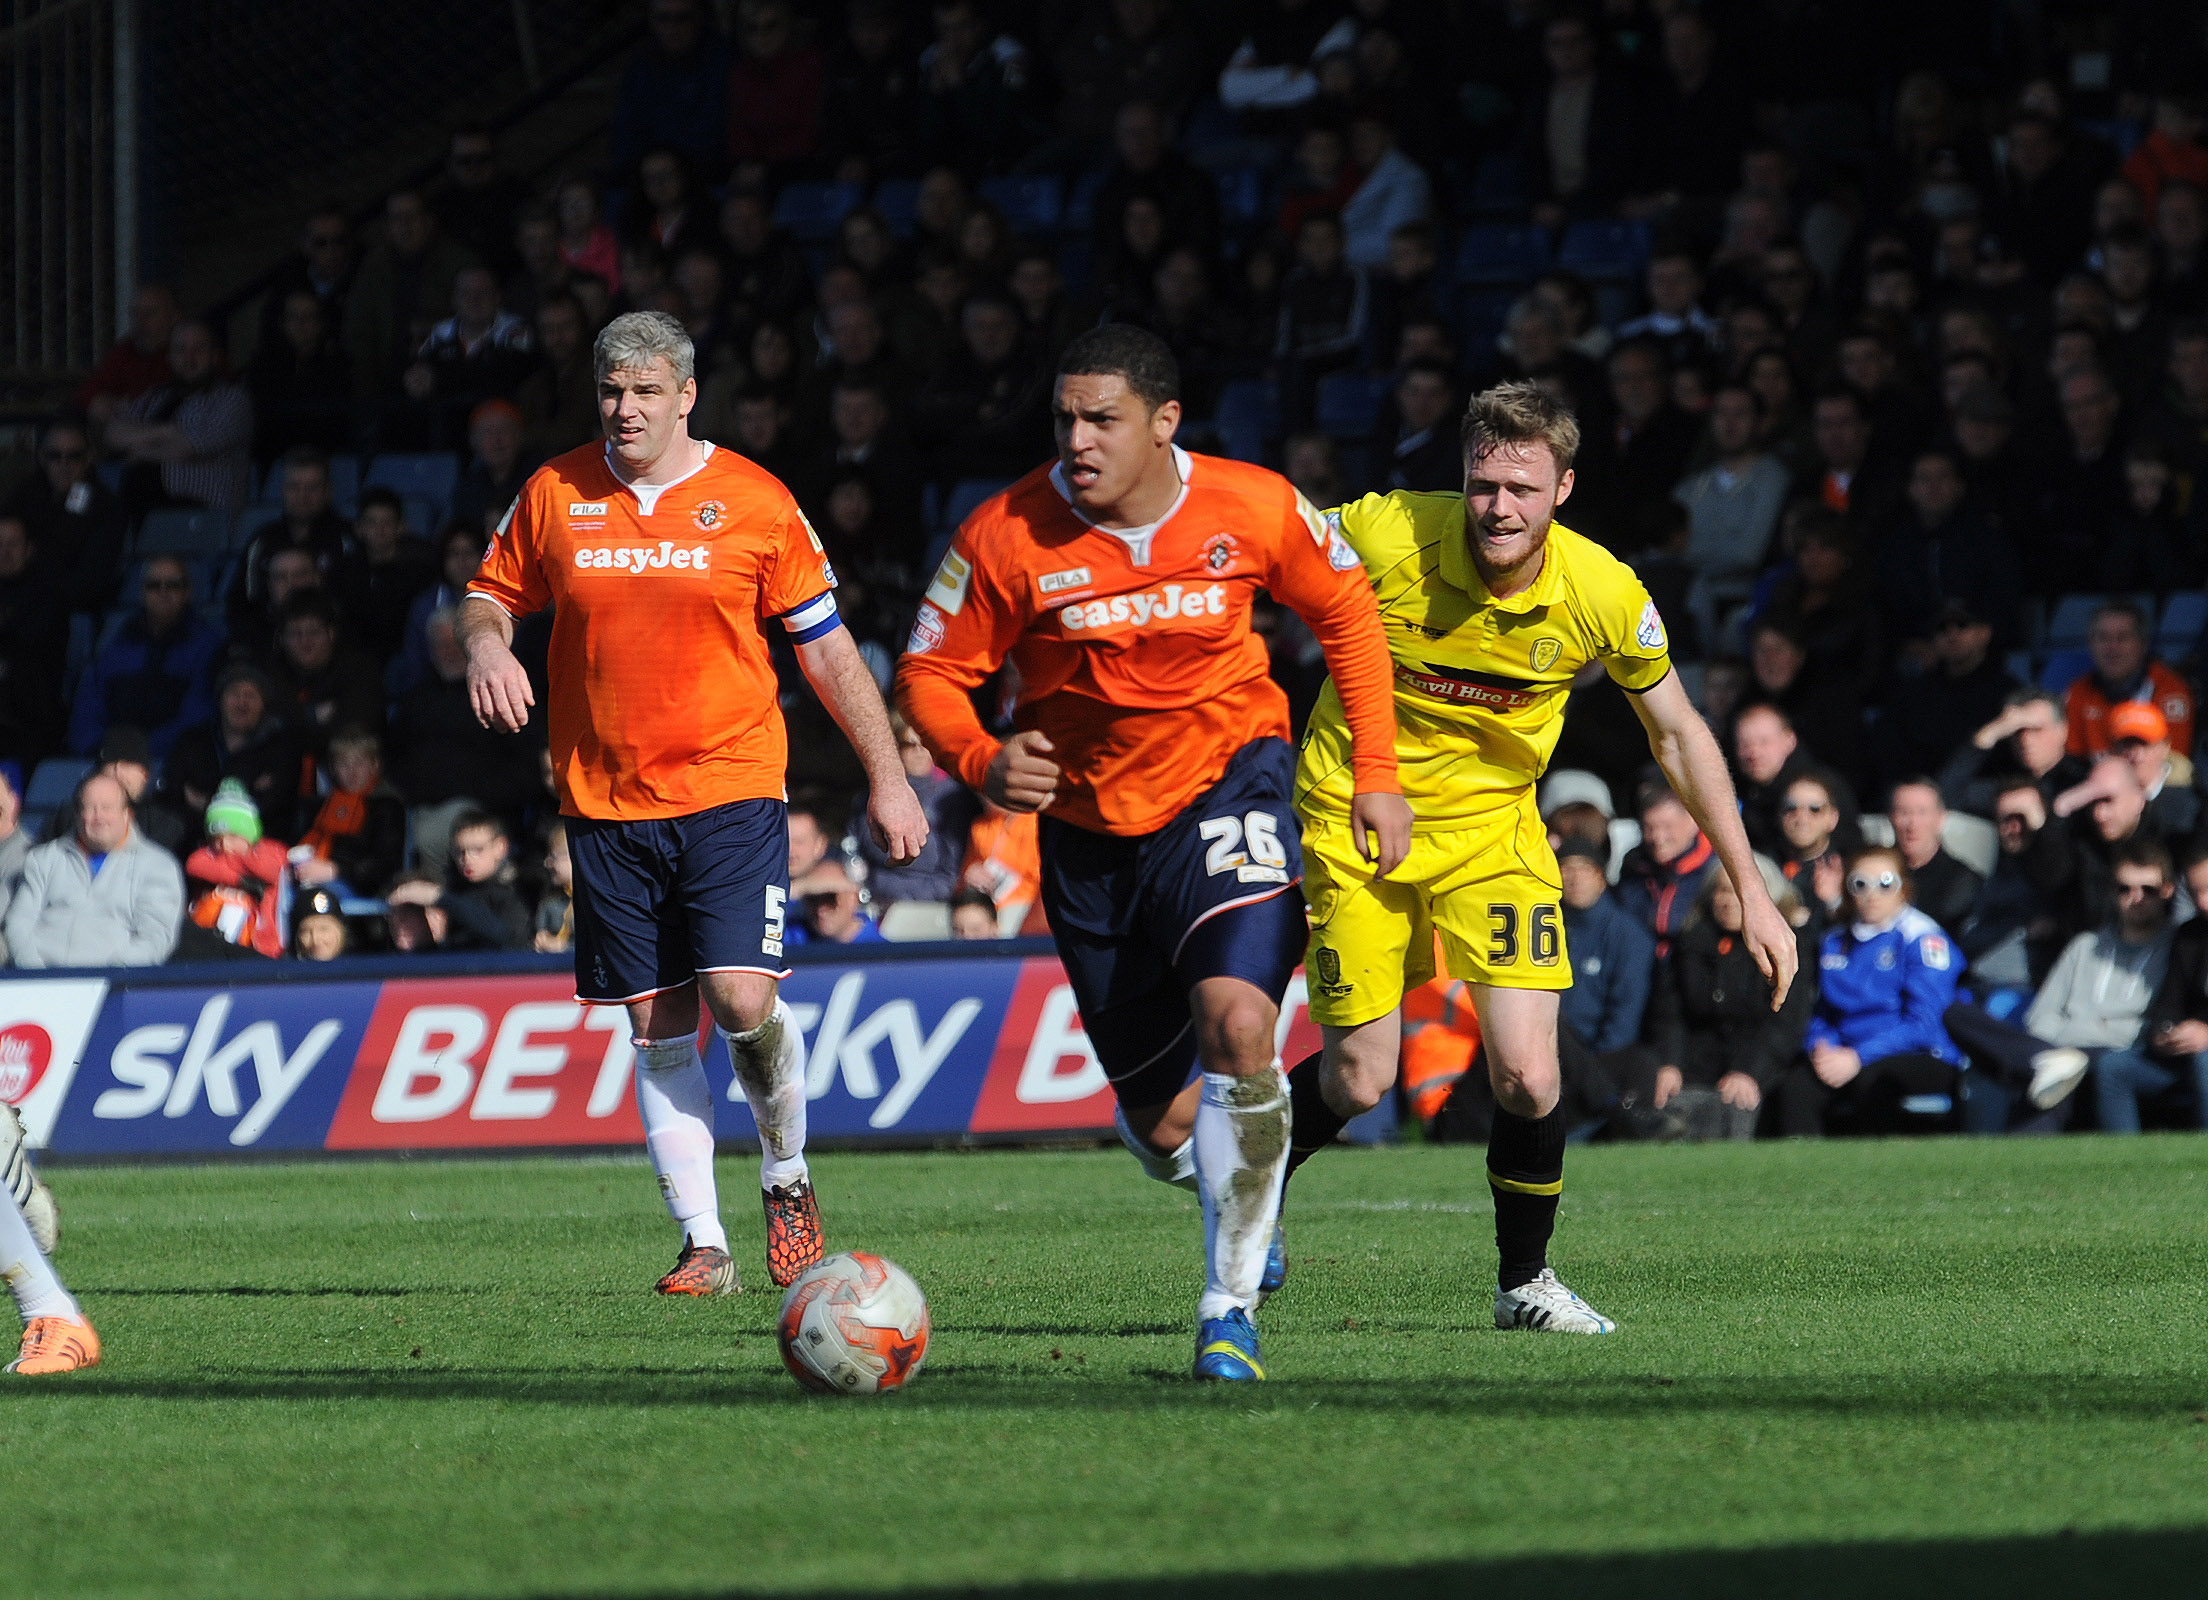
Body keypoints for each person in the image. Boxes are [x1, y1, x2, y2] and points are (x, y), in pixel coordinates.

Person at [895, 323, 1407, 1382]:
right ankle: (1241, 1198)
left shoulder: (1254, 503)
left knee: (1240, 1021)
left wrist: (1377, 774)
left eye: (1101, 419)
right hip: (1087, 836)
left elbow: (1349, 614)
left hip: (1232, 784)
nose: (1076, 440)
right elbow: (931, 672)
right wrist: (980, 759)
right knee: (1165, 1121)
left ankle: (1226, 1306)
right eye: (1063, 418)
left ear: (1165, 422)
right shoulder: (1004, 534)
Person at [1277, 382, 1796, 1338]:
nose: (1499, 508)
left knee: (1530, 1074)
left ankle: (1525, 1283)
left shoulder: (1603, 590)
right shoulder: (1386, 532)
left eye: (1521, 487)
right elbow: (1260, 546)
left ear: (1563, 486)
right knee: (1359, 1080)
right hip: (1358, 820)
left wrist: (1752, 891)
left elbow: (1678, 733)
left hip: (1497, 838)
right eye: (1482, 485)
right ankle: (1256, 1179)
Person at [463, 310, 926, 1299]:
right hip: (605, 802)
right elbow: (487, 592)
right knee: (657, 1026)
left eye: (643, 392)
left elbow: (829, 648)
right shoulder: (554, 492)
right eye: (609, 392)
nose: (624, 410)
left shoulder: (755, 502)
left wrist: (888, 775)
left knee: (740, 999)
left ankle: (787, 1173)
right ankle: (704, 1242)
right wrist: (486, 641)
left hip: (729, 787)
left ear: (686, 396)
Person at [1944, 839, 2174, 1129]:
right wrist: (2058, 1051)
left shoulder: (2176, 948)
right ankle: (2045, 1062)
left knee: (2052, 1085)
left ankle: (2041, 1067)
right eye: (2124, 888)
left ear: (2167, 891)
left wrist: (2077, 1047)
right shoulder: (2085, 945)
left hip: (2115, 1053)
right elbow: (2041, 1016)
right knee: (1955, 1013)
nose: (2135, 898)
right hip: (2056, 1053)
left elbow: (2153, 1025)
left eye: (2148, 890)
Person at [1775, 846, 1963, 1137]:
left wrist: (1858, 1056)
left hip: (1918, 1054)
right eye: (1860, 883)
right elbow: (1823, 1010)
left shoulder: (1922, 938)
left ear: (1904, 889)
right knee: (1797, 1085)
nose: (1872, 893)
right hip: (1846, 1052)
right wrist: (1821, 1046)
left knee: (1874, 1083)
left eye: (1886, 883)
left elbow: (1925, 1023)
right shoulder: (1834, 941)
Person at [1640, 870, 1815, 1141]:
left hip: (1760, 1066)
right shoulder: (1691, 942)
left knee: (1737, 1110)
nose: (1727, 900)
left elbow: (1787, 1021)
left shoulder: (1786, 948)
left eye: (1736, 892)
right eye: (1721, 890)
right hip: (1696, 1062)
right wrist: (1669, 1063)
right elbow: (1669, 1013)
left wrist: (1750, 1072)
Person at [4, 773, 183, 969]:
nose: (99, 817)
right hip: (39, 979)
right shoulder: (43, 859)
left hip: (112, 986)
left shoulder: (158, 866)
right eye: (90, 808)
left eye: (107, 808)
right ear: (78, 813)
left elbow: (155, 939)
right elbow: (19, 923)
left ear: (127, 814)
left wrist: (109, 977)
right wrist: (36, 973)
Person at [2103, 844, 2208, 1131]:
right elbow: (2169, 1002)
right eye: (2196, 891)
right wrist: (2165, 1033)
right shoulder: (2191, 936)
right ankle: (2124, 1167)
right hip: (2185, 1055)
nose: (2202, 902)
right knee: (2114, 1068)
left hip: (2204, 1057)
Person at [104, 319, 255, 517]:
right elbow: (113, 433)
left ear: (215, 356)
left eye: (199, 349)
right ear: (170, 357)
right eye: (181, 349)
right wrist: (165, 431)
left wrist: (138, 450)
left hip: (201, 511)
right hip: (140, 507)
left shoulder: (231, 399)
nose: (189, 357)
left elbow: (187, 447)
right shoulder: (155, 397)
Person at [2066, 600, 2195, 760]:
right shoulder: (2077, 692)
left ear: (2143, 644)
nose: (2112, 648)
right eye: (2103, 638)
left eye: (2123, 637)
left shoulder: (2171, 690)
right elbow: (2073, 762)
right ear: (2090, 644)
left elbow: (2176, 766)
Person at [292, 726, 405, 897]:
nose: (352, 772)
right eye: (343, 764)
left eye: (359, 763)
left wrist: (336, 870)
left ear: (375, 765)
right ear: (333, 768)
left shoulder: (386, 806)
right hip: (313, 875)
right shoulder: (323, 805)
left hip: (359, 885)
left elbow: (385, 865)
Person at [1942, 688, 2087, 819]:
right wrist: (1989, 734)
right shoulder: (2003, 781)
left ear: (2062, 730)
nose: (2026, 740)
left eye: (2036, 729)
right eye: (2017, 731)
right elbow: (1945, 797)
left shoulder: (2081, 779)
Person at [183, 781, 290, 959]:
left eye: (233, 836)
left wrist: (237, 860)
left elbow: (269, 871)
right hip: (211, 944)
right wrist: (241, 881)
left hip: (262, 947)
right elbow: (195, 865)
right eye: (217, 839)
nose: (224, 845)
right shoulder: (207, 854)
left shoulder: (272, 851)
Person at [1614, 780, 1719, 957]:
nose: (1657, 837)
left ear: (1693, 822)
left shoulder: (1716, 869)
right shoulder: (1634, 865)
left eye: (1667, 827)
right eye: (1649, 828)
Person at [1889, 777, 1982, 936]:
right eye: (1903, 812)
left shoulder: (1964, 880)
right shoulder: (1872, 874)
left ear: (1940, 819)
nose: (1912, 824)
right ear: (1891, 818)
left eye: (1922, 812)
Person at [2105, 701, 2201, 841]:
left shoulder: (2192, 802)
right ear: (2111, 749)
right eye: (2127, 744)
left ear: (2165, 746)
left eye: (2145, 743)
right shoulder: (2100, 802)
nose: (2136, 755)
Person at [792, 858, 885, 945]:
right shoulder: (794, 937)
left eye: (830, 899)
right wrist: (797, 888)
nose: (821, 910)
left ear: (853, 898)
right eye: (812, 899)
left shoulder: (881, 951)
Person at [291, 887, 349, 961]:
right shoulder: (285, 971)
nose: (315, 940)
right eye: (305, 931)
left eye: (324, 929)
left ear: (341, 930)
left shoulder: (362, 967)